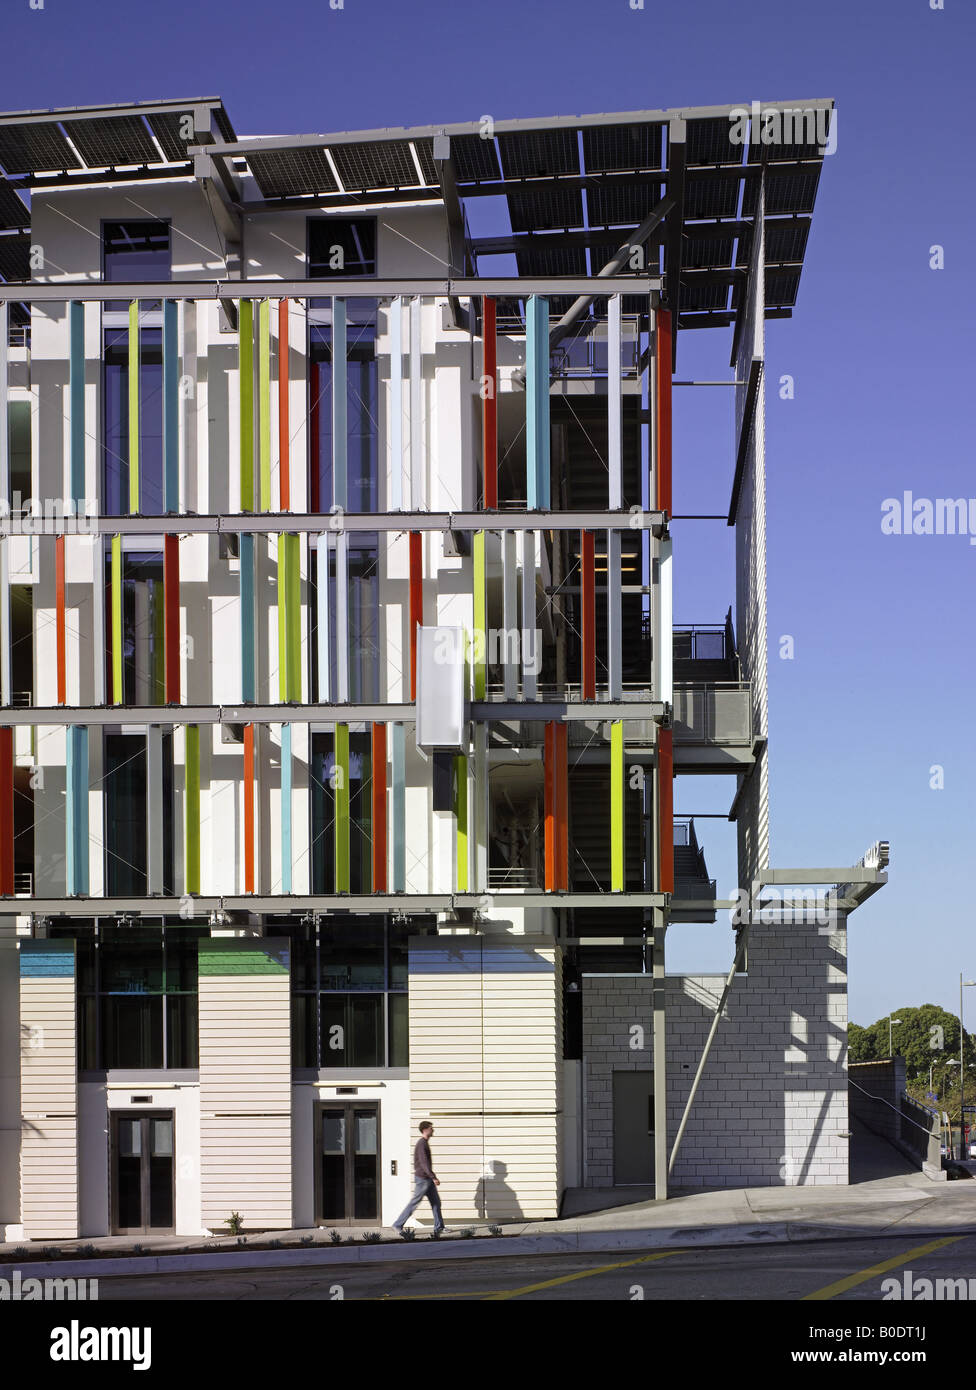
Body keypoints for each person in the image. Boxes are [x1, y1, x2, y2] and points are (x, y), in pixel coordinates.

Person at [392, 1121, 445, 1236]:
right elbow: (424, 1163)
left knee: (436, 1202)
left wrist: (431, 1178)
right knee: (414, 1203)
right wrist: (433, 1177)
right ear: (425, 1130)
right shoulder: (421, 1144)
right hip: (423, 1180)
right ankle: (397, 1224)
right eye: (431, 1128)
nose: (433, 1130)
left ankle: (439, 1227)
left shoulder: (424, 1143)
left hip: (427, 1180)